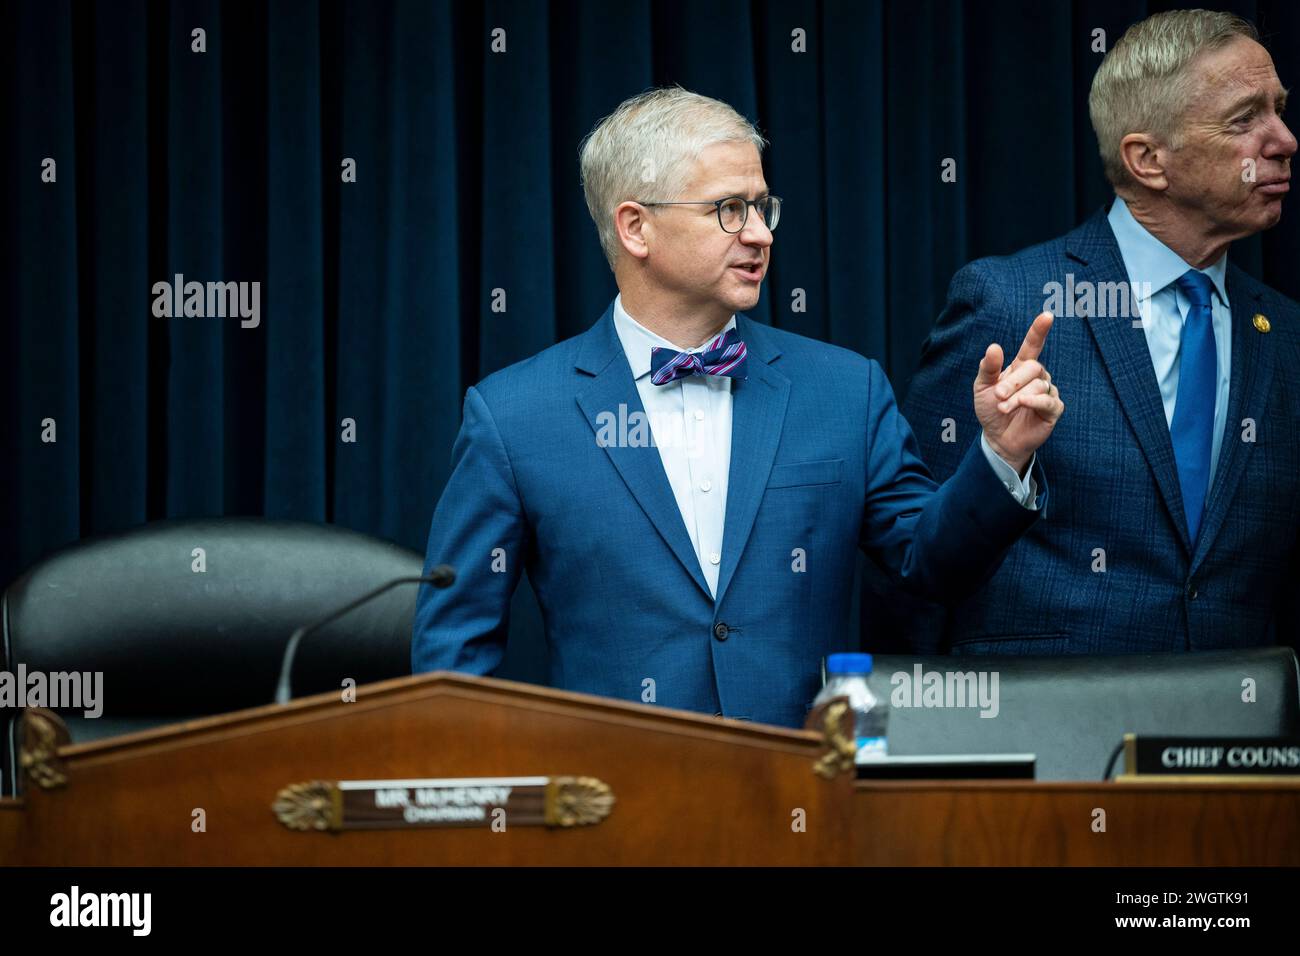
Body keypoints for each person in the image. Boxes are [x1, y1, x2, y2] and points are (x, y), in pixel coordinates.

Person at [412, 87, 1063, 727]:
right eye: (728, 209)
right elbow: (451, 661)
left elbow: (930, 564)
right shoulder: (515, 414)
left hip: (809, 795)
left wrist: (1002, 455)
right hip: (612, 810)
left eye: (762, 208)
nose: (759, 235)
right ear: (636, 227)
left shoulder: (844, 390)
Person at [903, 10, 1298, 654]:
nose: (1283, 140)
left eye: (1279, 110)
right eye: (1245, 119)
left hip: (1236, 734)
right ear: (1147, 159)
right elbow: (914, 561)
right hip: (1046, 736)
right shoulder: (1009, 303)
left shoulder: (1286, 336)